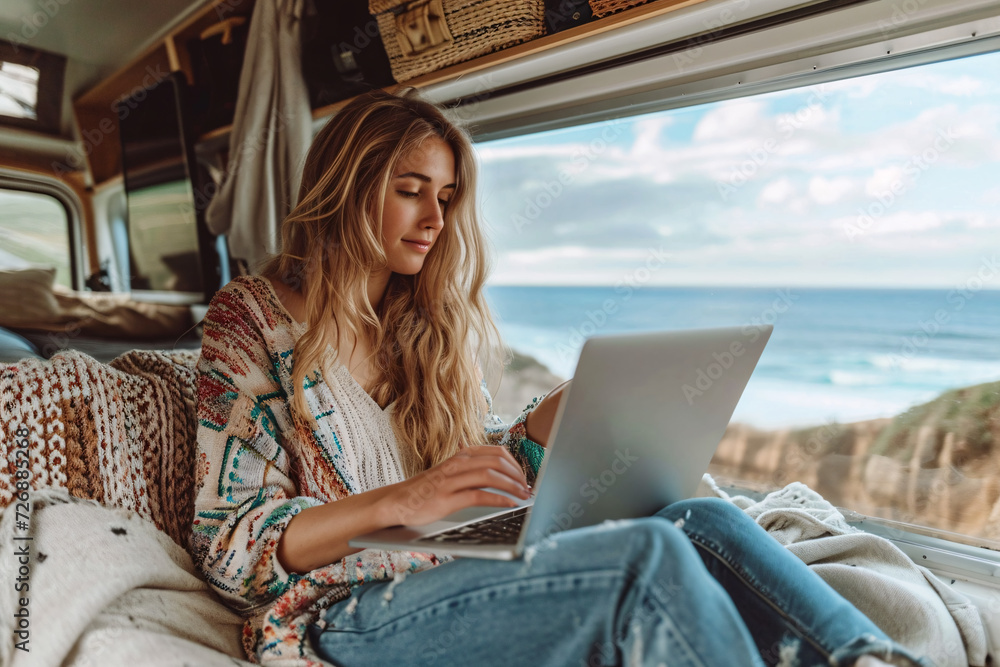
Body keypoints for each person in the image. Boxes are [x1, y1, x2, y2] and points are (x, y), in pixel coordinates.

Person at [189, 89, 925, 667]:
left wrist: (538, 435)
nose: (436, 220)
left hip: (439, 565)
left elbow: (452, 498)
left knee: (701, 522)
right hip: (342, 611)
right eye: (411, 189)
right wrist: (403, 499)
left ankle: (871, 659)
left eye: (445, 199)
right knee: (647, 556)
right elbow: (232, 549)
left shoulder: (417, 327)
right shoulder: (251, 321)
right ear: (349, 187)